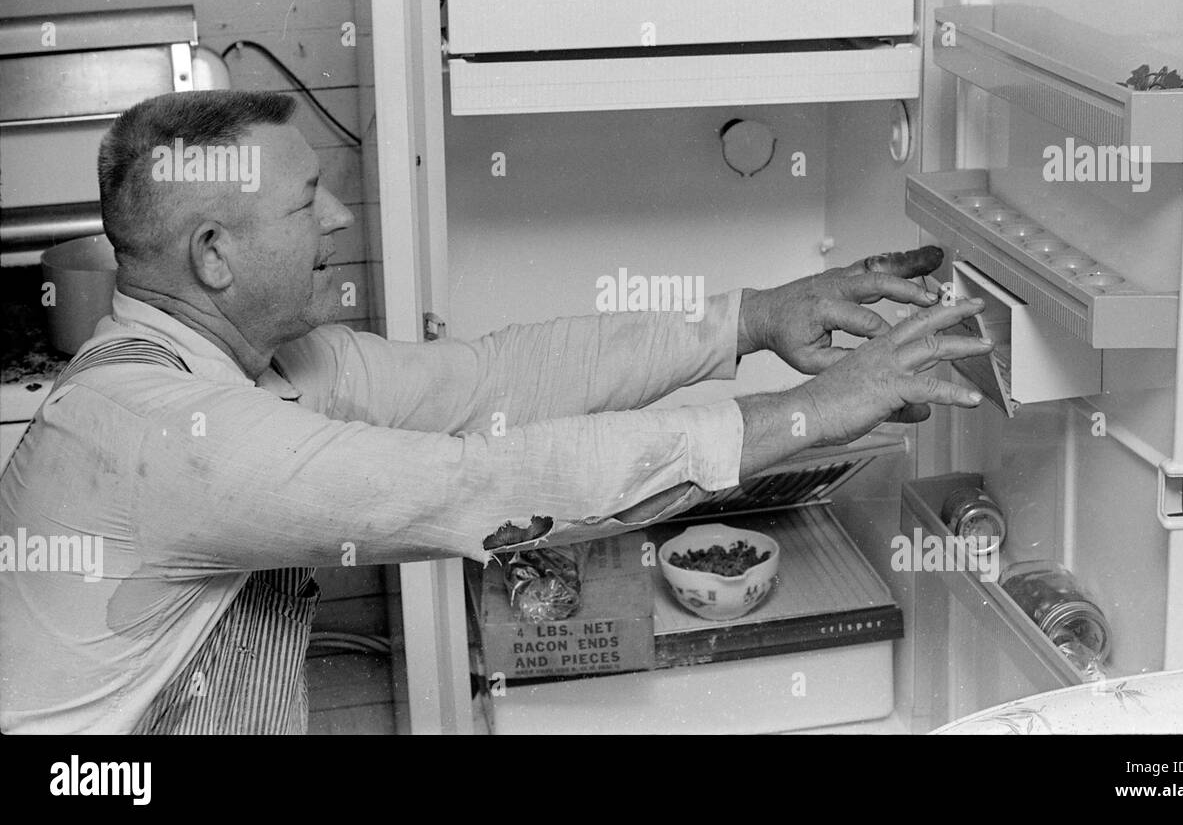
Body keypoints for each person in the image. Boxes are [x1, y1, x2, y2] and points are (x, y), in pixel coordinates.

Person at [0, 90, 991, 733]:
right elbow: (487, 482)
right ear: (214, 253)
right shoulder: (159, 434)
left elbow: (494, 382)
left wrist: (751, 317)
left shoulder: (257, 365)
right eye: (310, 201)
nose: (341, 220)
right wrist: (821, 408)